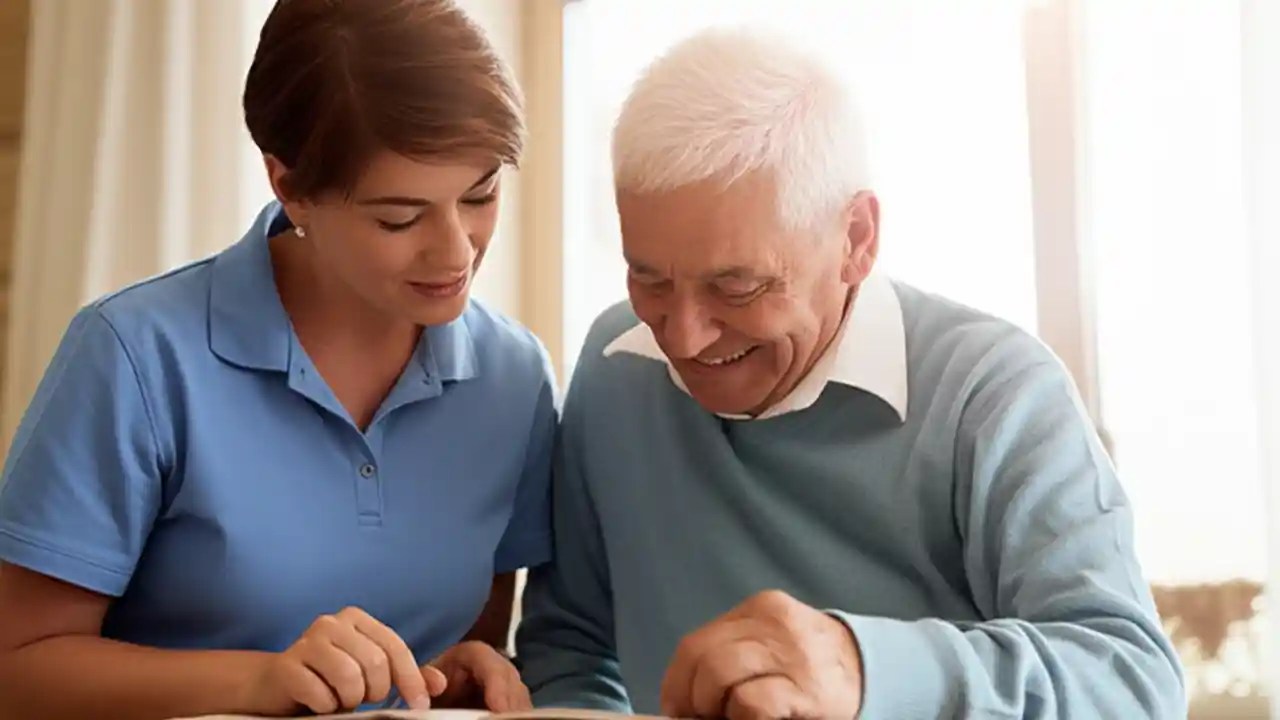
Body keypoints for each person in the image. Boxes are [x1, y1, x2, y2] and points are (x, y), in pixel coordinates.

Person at [516, 27, 1185, 720]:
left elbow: (1133, 685)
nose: (682, 336)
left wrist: (862, 669)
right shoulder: (614, 367)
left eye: (737, 286)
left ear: (857, 238)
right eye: (649, 278)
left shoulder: (993, 393)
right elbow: (570, 650)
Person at [0, 1, 554, 718]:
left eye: (480, 195)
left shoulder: (512, 378)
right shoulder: (136, 356)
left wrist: (456, 672)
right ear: (289, 186)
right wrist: (258, 683)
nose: (456, 252)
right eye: (399, 218)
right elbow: (17, 669)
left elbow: (463, 640)